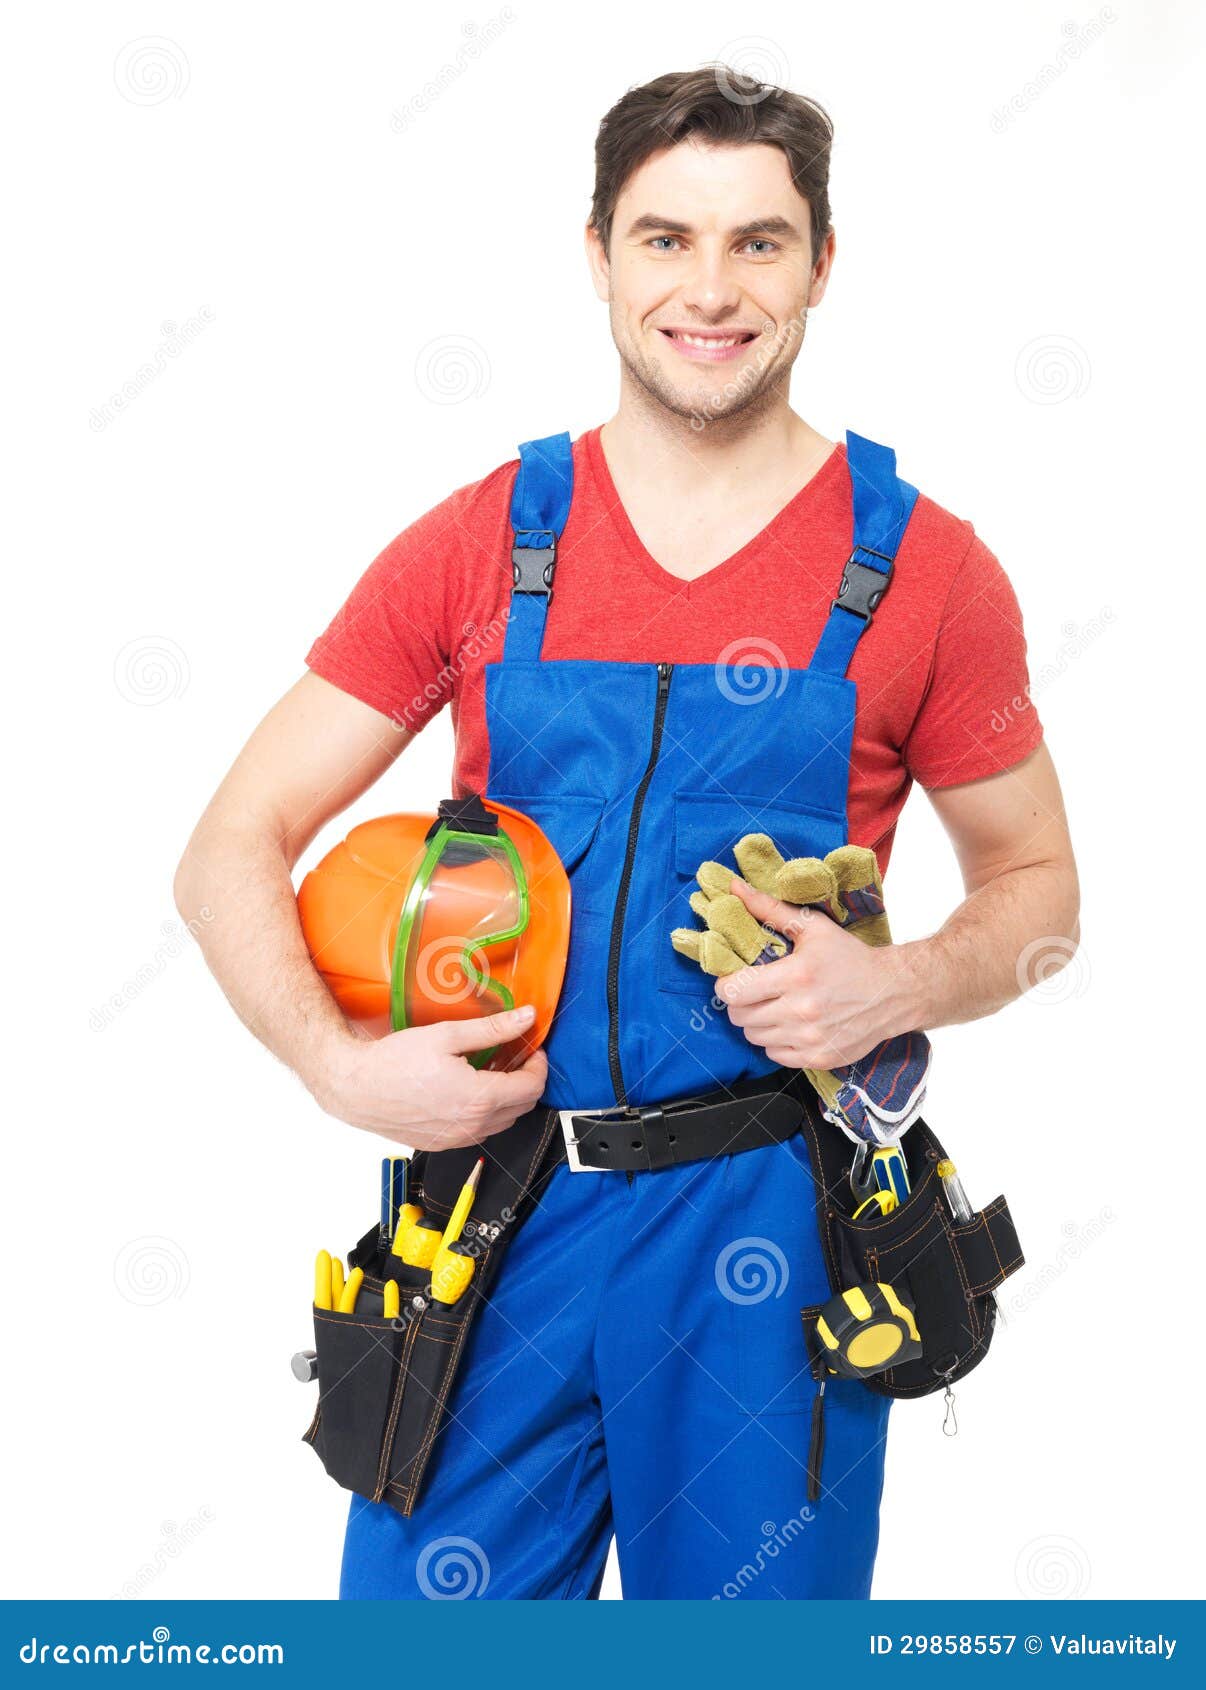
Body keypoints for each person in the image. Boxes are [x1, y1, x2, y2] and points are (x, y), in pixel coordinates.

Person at [175, 67, 1079, 1600]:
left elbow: (1040, 891)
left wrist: (906, 982)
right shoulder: (484, 539)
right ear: (597, 253)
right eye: (665, 239)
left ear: (821, 263)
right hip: (494, 1217)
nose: (710, 290)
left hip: (765, 1242)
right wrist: (337, 1068)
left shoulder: (923, 570)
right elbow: (227, 846)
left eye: (758, 243)